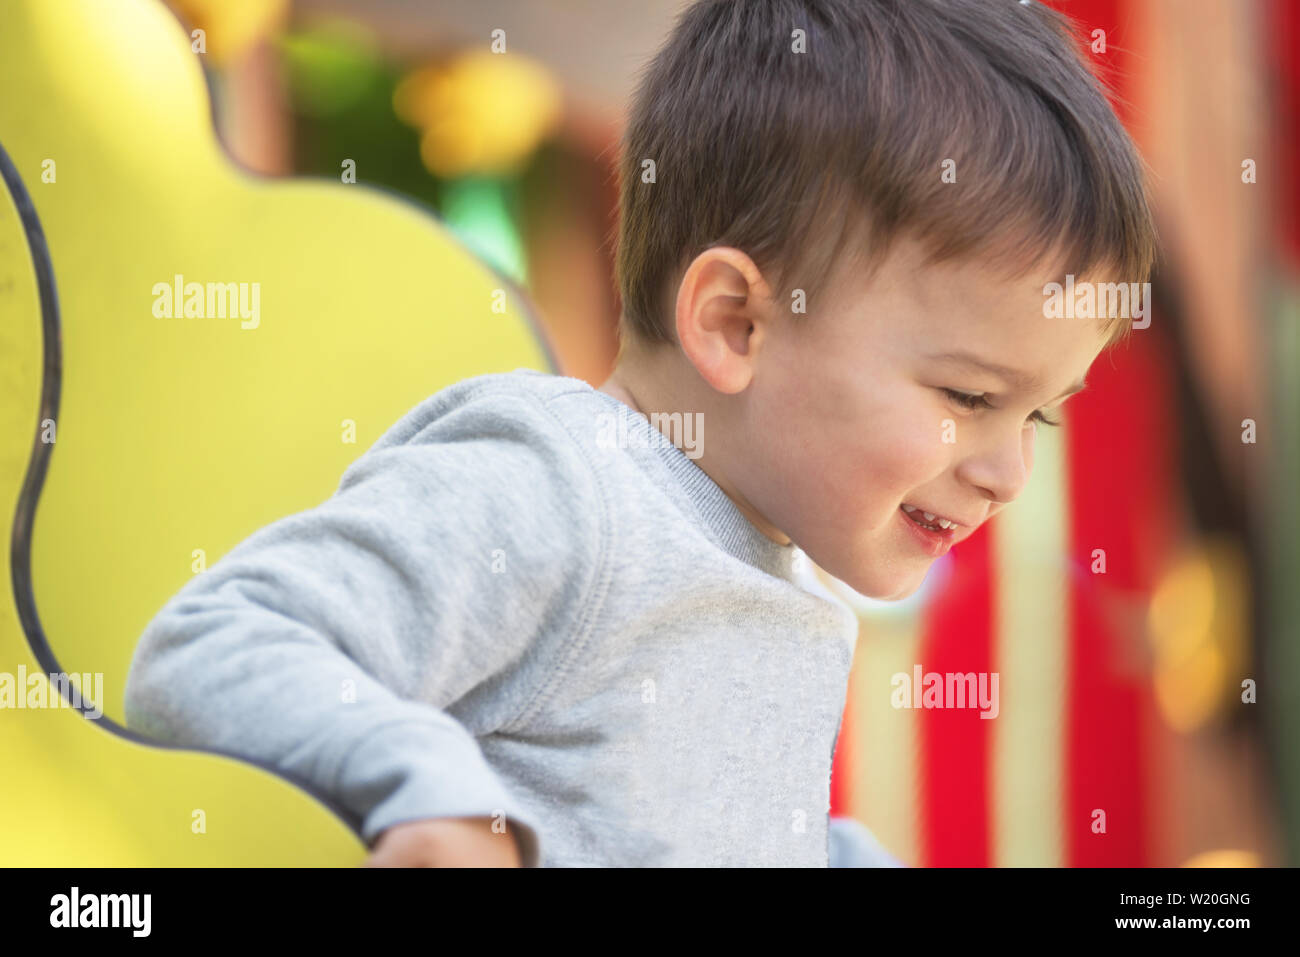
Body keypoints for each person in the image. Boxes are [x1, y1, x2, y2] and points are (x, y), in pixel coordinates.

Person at [124, 0, 1156, 867]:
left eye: (1039, 413)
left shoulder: (771, 568)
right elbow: (215, 645)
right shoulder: (561, 487)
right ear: (733, 323)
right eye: (970, 397)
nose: (1011, 470)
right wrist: (437, 802)